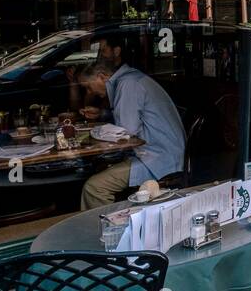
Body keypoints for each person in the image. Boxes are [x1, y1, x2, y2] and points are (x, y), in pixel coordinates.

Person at [78, 58, 185, 209]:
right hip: (161, 151)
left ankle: (112, 230)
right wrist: (102, 114)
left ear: (101, 76)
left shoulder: (128, 84)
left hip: (157, 158)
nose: (90, 93)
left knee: (94, 188)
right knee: (100, 168)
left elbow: (126, 133)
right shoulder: (131, 78)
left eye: (88, 87)